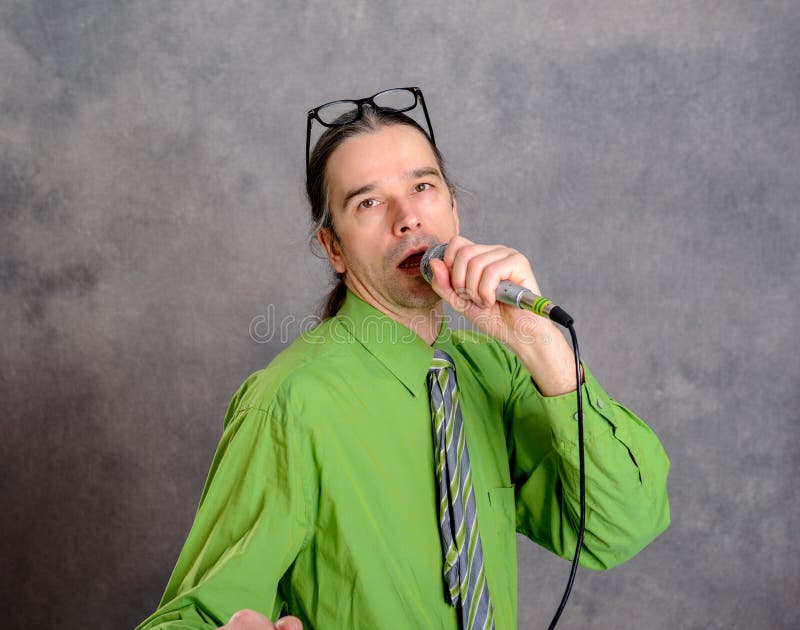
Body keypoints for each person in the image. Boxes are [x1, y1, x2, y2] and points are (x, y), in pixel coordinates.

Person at [137, 88, 670, 630]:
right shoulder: (291, 403)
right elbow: (188, 618)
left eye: (423, 186)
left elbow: (619, 529)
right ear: (334, 249)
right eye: (368, 202)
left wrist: (543, 348)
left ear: (453, 209)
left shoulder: (495, 371)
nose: (408, 217)